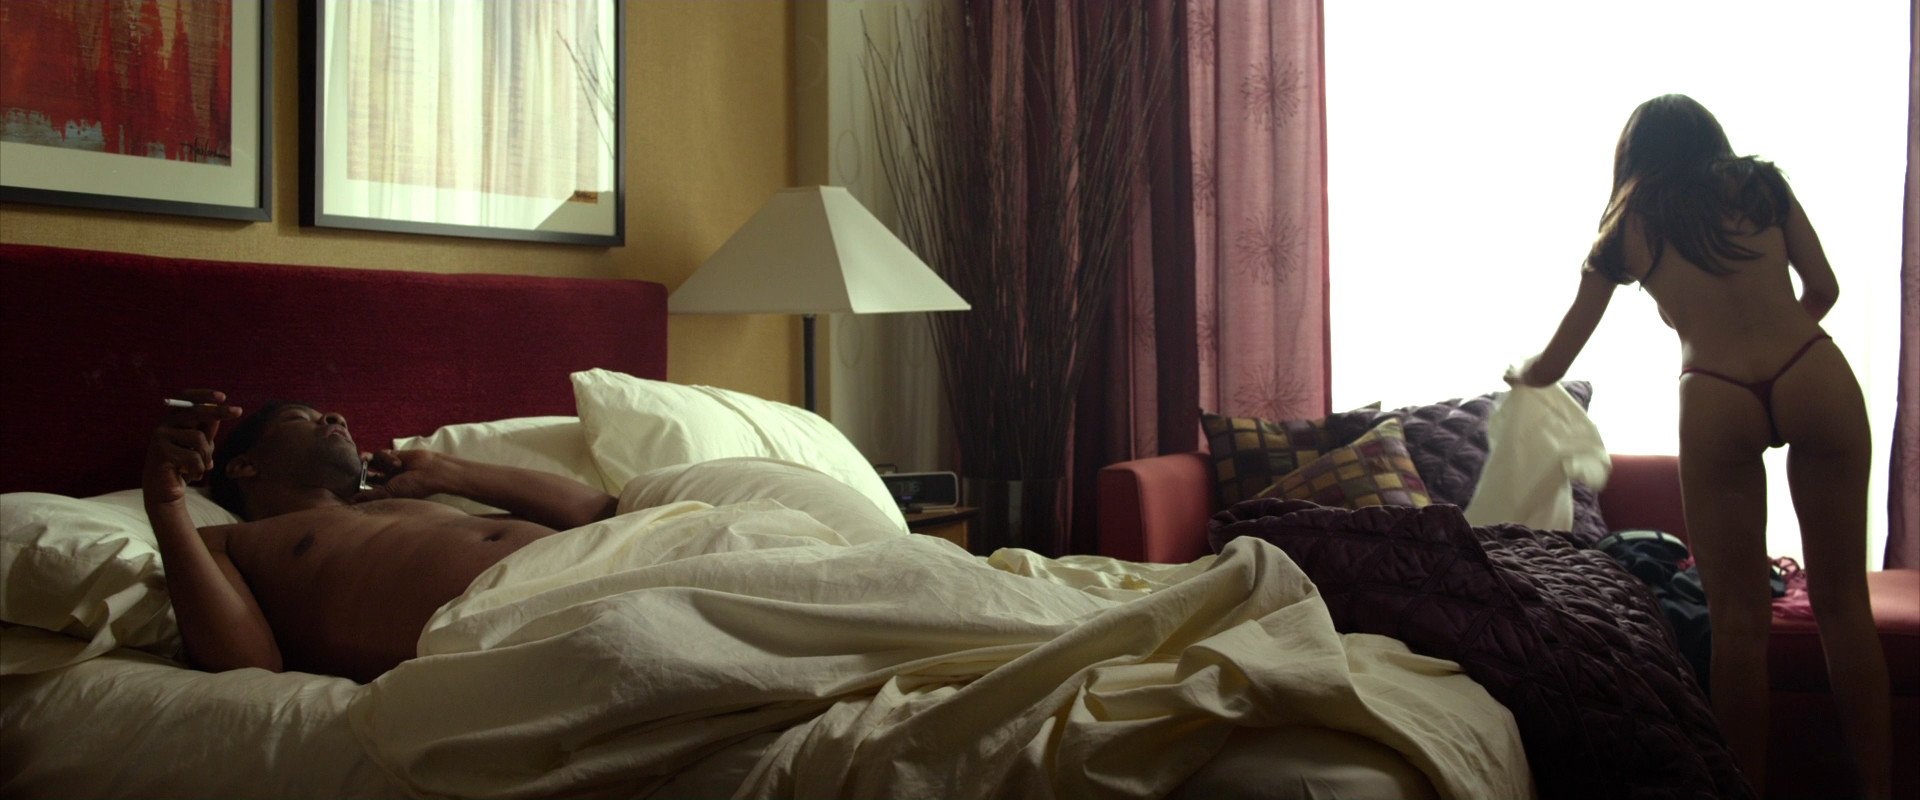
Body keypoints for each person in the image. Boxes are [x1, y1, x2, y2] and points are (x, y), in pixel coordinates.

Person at [1510, 94, 1891, 797]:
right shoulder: (1759, 184)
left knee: (1737, 625)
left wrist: (1521, 373)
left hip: (1716, 393)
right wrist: (1781, 341)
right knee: (1844, 609)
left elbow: (1555, 361)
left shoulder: (1628, 223)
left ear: (1633, 156)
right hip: (1812, 369)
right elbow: (1824, 286)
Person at [142, 390, 620, 683]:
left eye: (332, 417)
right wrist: (165, 503)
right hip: (523, 634)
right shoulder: (225, 541)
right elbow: (250, 669)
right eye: (300, 418)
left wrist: (444, 470)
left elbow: (598, 512)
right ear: (244, 466)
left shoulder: (408, 505)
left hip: (606, 572)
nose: (335, 418)